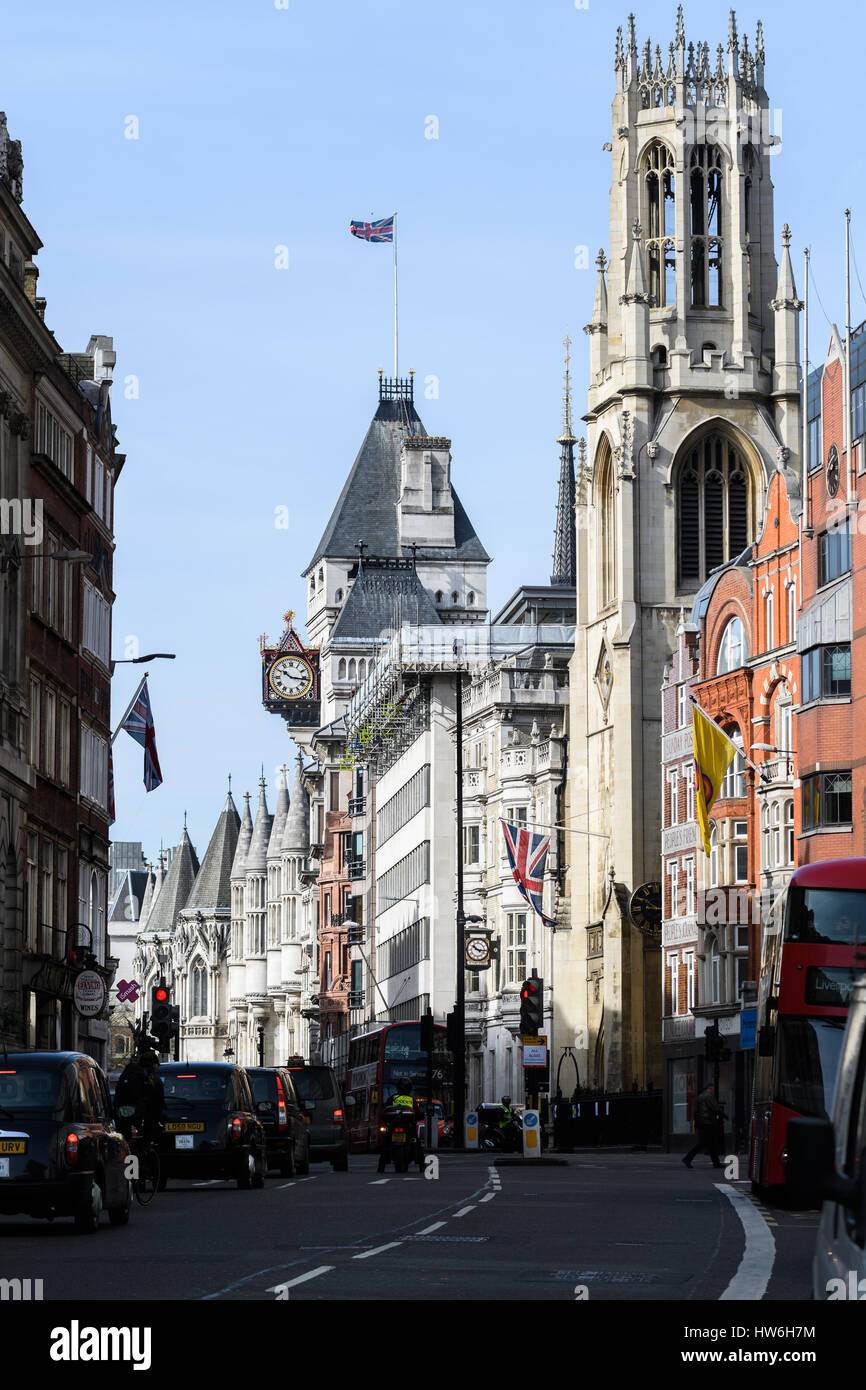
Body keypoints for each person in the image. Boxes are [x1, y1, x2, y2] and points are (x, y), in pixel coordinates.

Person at [115, 1050, 165, 1146]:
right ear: (154, 1064)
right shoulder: (152, 1078)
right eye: (156, 1065)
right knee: (145, 1143)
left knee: (127, 1143)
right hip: (143, 1117)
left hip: (124, 1116)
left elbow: (118, 1092)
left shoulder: (129, 1072)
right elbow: (158, 1101)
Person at [682, 1082, 723, 1169]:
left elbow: (696, 1110)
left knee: (711, 1143)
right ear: (710, 1088)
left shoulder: (699, 1097)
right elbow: (715, 1108)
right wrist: (723, 1114)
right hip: (708, 1122)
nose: (713, 1090)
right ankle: (687, 1159)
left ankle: (716, 1163)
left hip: (701, 1123)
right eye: (712, 1088)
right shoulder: (709, 1096)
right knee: (704, 1143)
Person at [377, 1082, 415, 1172]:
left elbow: (384, 1109)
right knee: (415, 1141)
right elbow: (419, 1112)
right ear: (409, 1089)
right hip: (407, 1125)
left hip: (394, 1124)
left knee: (386, 1144)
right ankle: (421, 1163)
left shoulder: (393, 1098)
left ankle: (381, 1166)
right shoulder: (411, 1099)